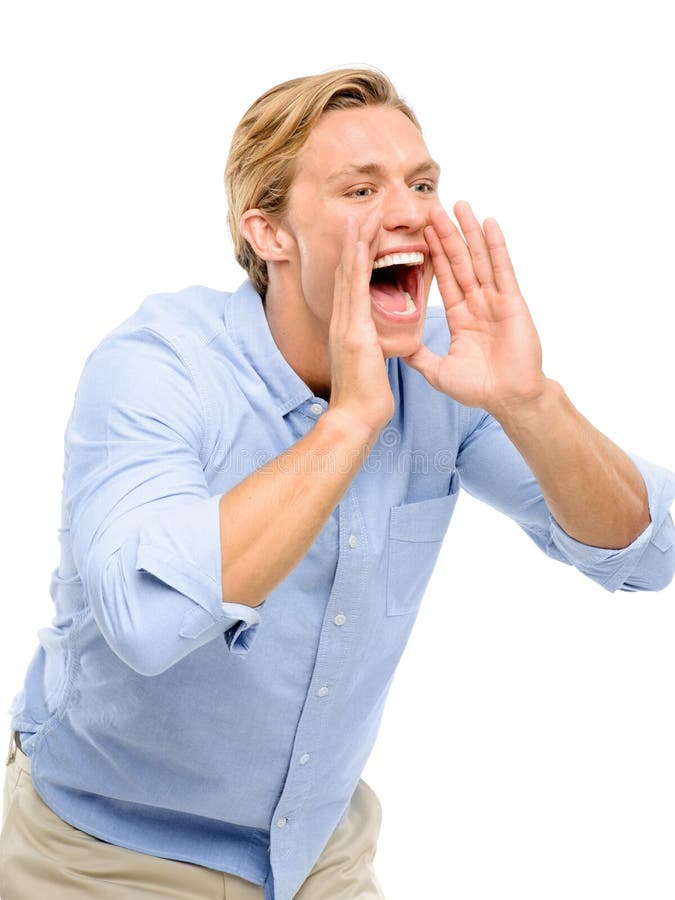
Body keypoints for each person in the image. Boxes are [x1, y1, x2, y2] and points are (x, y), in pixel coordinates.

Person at [1, 65, 673, 900]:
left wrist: (530, 402)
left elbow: (647, 554)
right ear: (268, 233)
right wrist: (349, 420)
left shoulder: (439, 369)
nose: (410, 212)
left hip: (317, 851)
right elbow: (146, 621)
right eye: (361, 189)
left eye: (421, 183)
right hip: (106, 851)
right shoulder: (157, 366)